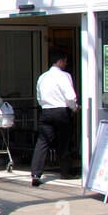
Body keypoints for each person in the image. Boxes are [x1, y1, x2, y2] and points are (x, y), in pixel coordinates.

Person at [31, 50, 78, 187]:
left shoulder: (42, 77)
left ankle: (35, 173)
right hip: (61, 111)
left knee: (42, 142)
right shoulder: (64, 76)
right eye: (65, 60)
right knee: (63, 142)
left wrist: (45, 106)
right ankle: (65, 172)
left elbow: (39, 97)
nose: (66, 63)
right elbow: (70, 97)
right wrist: (74, 108)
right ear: (61, 61)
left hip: (46, 111)